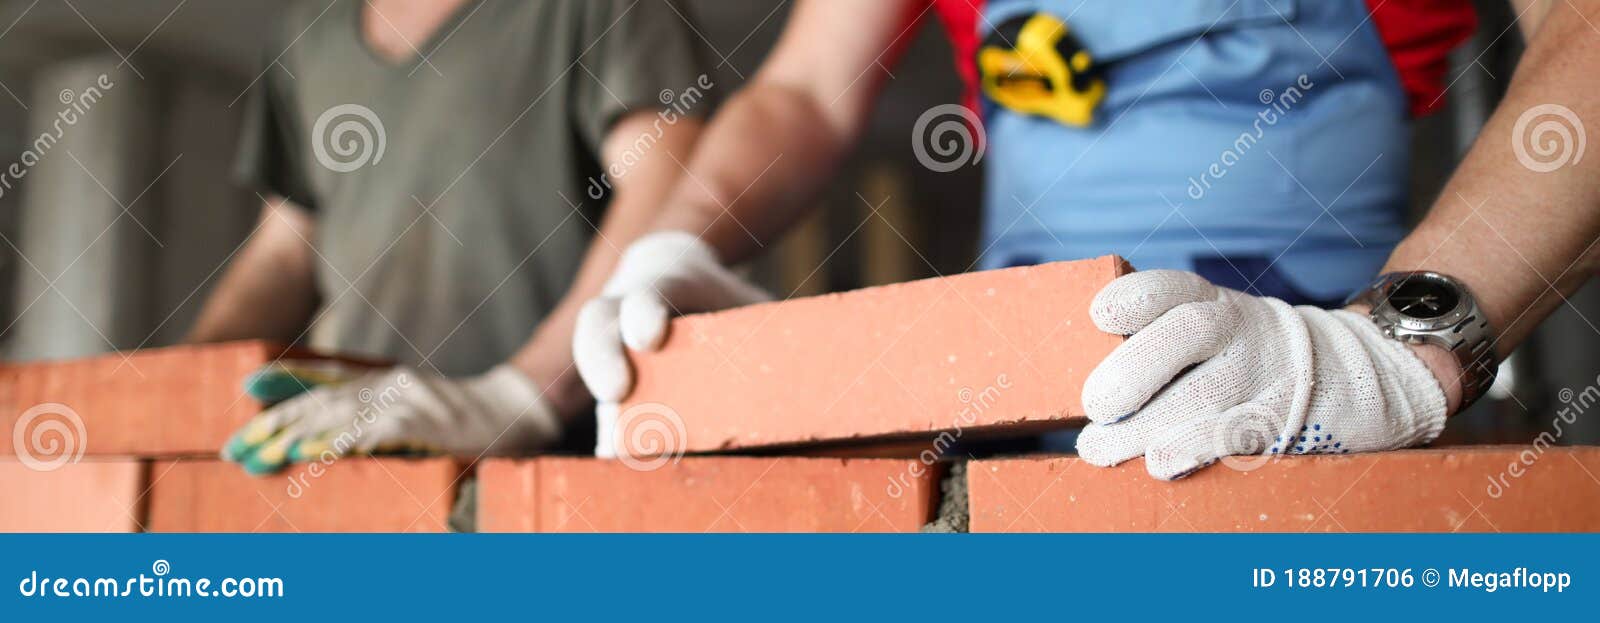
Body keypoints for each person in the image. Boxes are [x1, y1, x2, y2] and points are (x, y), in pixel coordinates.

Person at [572, 0, 1600, 479]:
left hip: (1319, 410)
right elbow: (800, 90)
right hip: (1009, 433)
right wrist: (670, 247)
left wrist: (1399, 347)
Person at [186, 0, 713, 474]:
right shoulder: (307, 34)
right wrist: (172, 392)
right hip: (362, 451)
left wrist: (518, 398)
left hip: (553, 473)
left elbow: (667, 182)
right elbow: (283, 255)